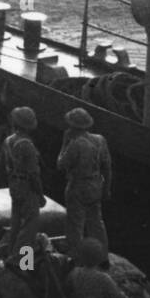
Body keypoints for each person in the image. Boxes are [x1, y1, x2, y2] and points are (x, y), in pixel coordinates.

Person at [57, 107, 111, 251]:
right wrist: (106, 188)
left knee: (75, 225)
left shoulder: (75, 144)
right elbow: (107, 166)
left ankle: (76, 257)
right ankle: (103, 255)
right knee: (97, 223)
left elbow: (61, 164)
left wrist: (64, 143)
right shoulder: (100, 140)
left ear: (72, 126)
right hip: (96, 185)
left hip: (78, 186)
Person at [2, 106, 44, 260]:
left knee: (15, 224)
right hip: (27, 188)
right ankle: (24, 265)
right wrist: (40, 195)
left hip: (14, 185)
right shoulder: (27, 145)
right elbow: (33, 174)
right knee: (30, 229)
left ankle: (10, 257)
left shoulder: (9, 140)